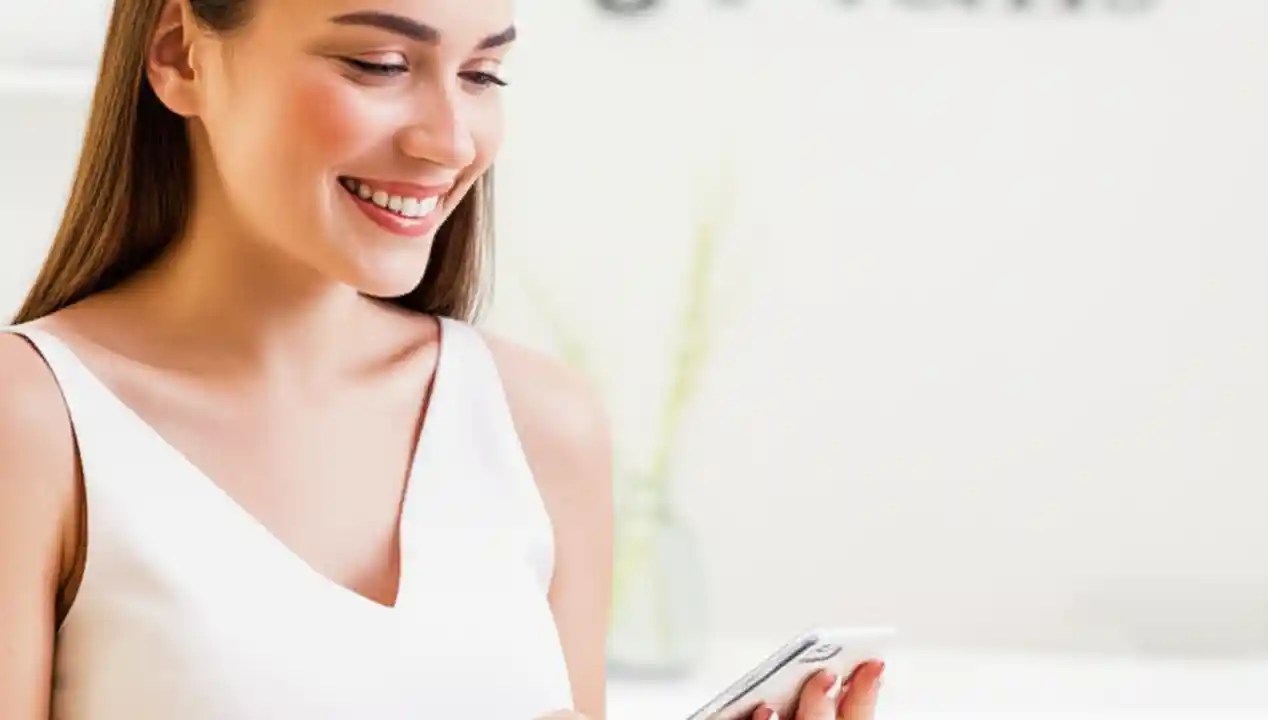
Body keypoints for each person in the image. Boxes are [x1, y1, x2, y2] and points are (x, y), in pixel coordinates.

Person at [0, 1, 882, 718]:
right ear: (180, 55)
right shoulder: (34, 419)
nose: (450, 141)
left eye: (483, 75)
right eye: (380, 64)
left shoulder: (540, 424)